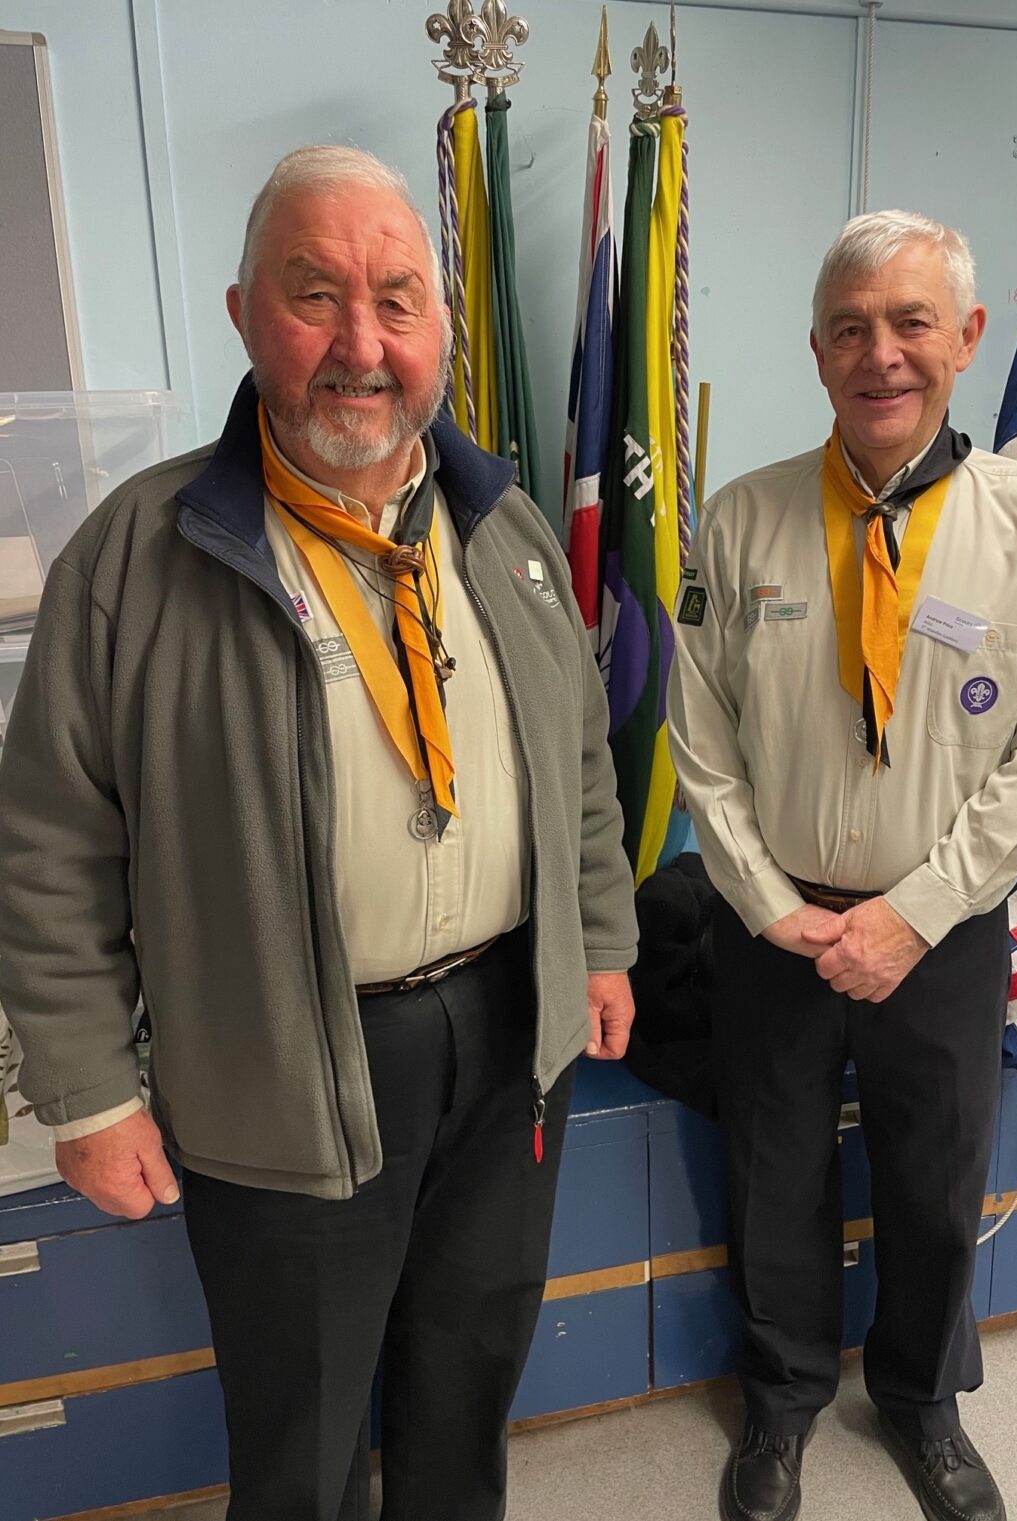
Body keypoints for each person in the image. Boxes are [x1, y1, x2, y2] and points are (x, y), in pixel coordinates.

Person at [0, 145, 637, 1521]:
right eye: (316, 296)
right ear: (244, 315)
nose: (362, 343)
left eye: (397, 300)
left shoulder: (503, 526)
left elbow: (577, 760)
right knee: (303, 1431)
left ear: (442, 331)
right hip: (282, 1065)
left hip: (505, 1039)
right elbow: (50, 841)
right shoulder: (137, 556)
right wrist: (91, 1089)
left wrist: (600, 943)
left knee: (466, 1384)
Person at [667, 210, 1017, 1521]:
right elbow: (703, 749)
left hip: (948, 928)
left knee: (933, 1174)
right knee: (776, 1171)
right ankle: (783, 1400)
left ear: (967, 339)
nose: (883, 352)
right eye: (852, 327)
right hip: (775, 928)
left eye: (912, 322)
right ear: (816, 352)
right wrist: (776, 908)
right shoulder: (739, 521)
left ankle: (922, 1398)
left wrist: (911, 916)